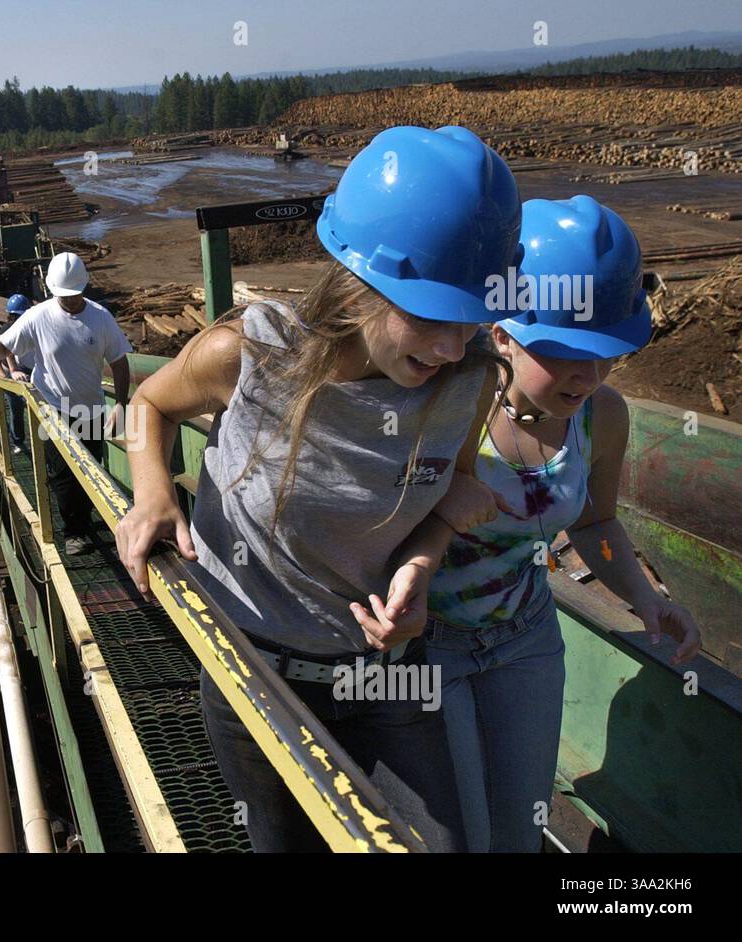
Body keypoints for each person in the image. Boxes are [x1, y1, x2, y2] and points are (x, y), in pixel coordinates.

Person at [114, 125, 523, 852]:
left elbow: (449, 494)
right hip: (253, 676)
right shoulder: (248, 354)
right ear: (358, 284)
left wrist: (420, 566)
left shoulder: (467, 382)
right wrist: (153, 494)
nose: (450, 347)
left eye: (471, 321)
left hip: (388, 675)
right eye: (429, 317)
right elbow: (149, 405)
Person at [422, 196, 703, 852]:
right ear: (502, 334)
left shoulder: (602, 416)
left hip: (526, 639)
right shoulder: (453, 402)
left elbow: (596, 525)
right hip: (427, 645)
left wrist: (646, 600)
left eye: (606, 352)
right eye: (568, 351)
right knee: (455, 835)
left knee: (521, 828)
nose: (589, 374)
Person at [0, 253, 131, 556]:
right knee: (62, 472)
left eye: (75, 294)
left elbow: (119, 362)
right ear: (53, 290)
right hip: (52, 407)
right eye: (65, 295)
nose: (71, 300)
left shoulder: (101, 317)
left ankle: (84, 519)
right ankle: (74, 532)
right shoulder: (38, 316)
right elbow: (5, 345)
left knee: (92, 467)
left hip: (91, 408)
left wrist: (119, 403)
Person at [1, 293, 33, 455]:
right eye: (14, 316)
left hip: (37, 370)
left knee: (41, 411)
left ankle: (46, 449)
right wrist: (13, 370)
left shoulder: (34, 324)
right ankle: (18, 441)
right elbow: (7, 349)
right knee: (16, 409)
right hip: (20, 371)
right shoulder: (8, 329)